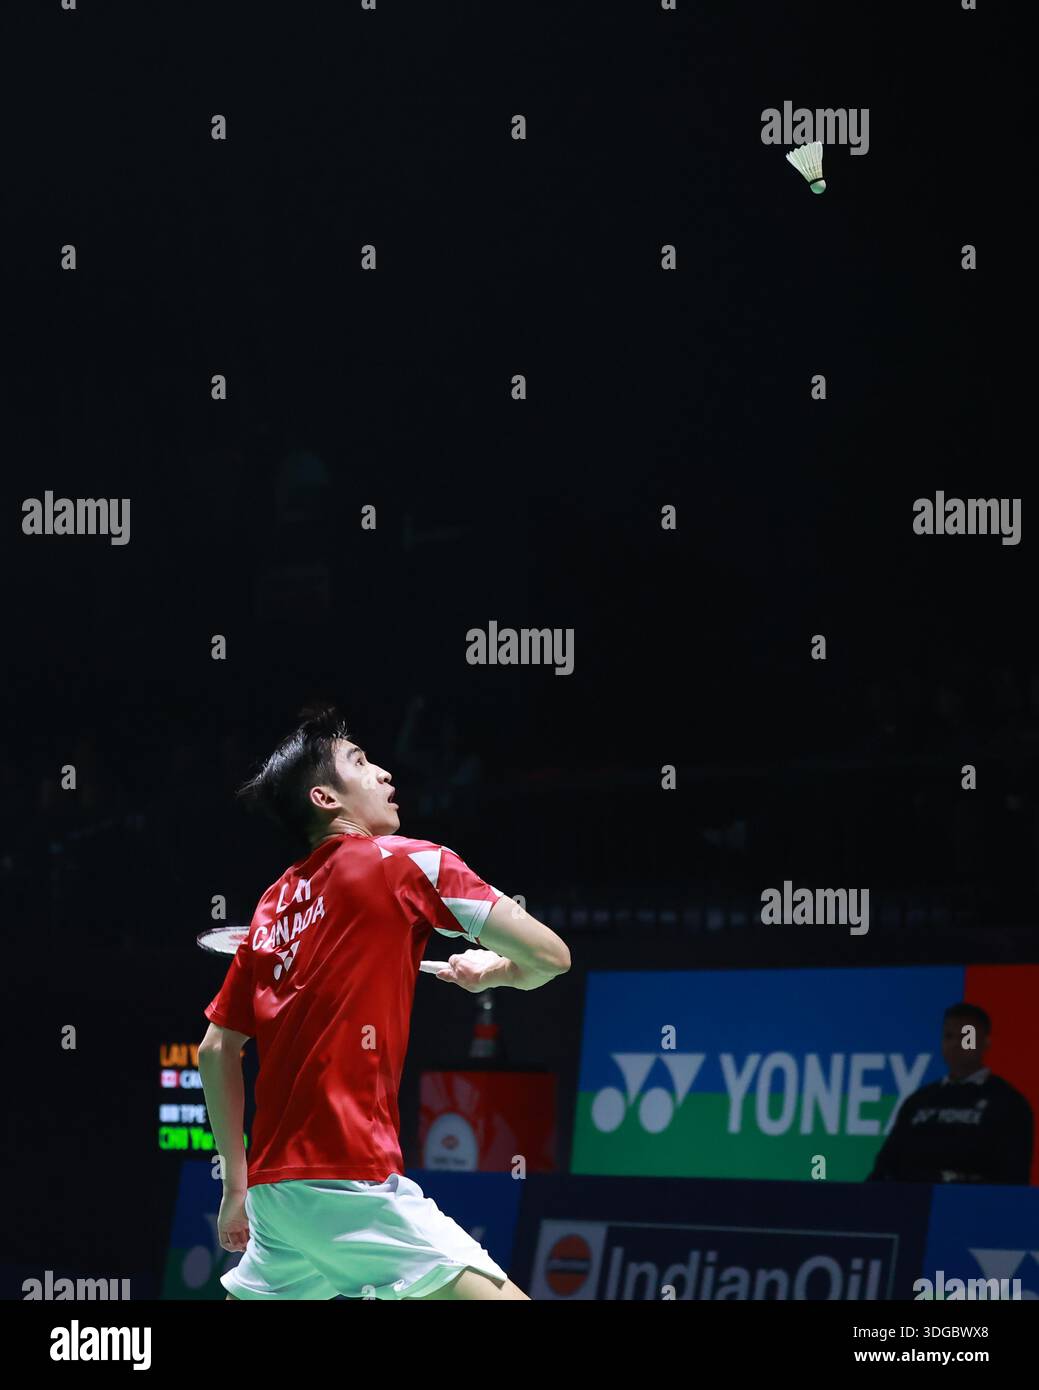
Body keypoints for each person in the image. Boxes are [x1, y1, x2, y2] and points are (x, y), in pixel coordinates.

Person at [198, 707, 571, 1301]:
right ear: (325, 797)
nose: (385, 774)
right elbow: (551, 958)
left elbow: (217, 1049)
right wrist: (493, 971)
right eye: (361, 763)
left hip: (274, 1193)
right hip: (349, 1177)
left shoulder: (274, 905)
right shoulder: (408, 861)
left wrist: (235, 1186)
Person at [866, 1003, 1033, 1185]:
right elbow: (885, 1168)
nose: (955, 1044)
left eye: (965, 1036)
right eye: (948, 1036)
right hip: (914, 1207)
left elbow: (1013, 1180)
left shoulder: (1008, 1103)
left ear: (986, 1043)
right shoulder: (918, 1100)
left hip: (975, 1207)